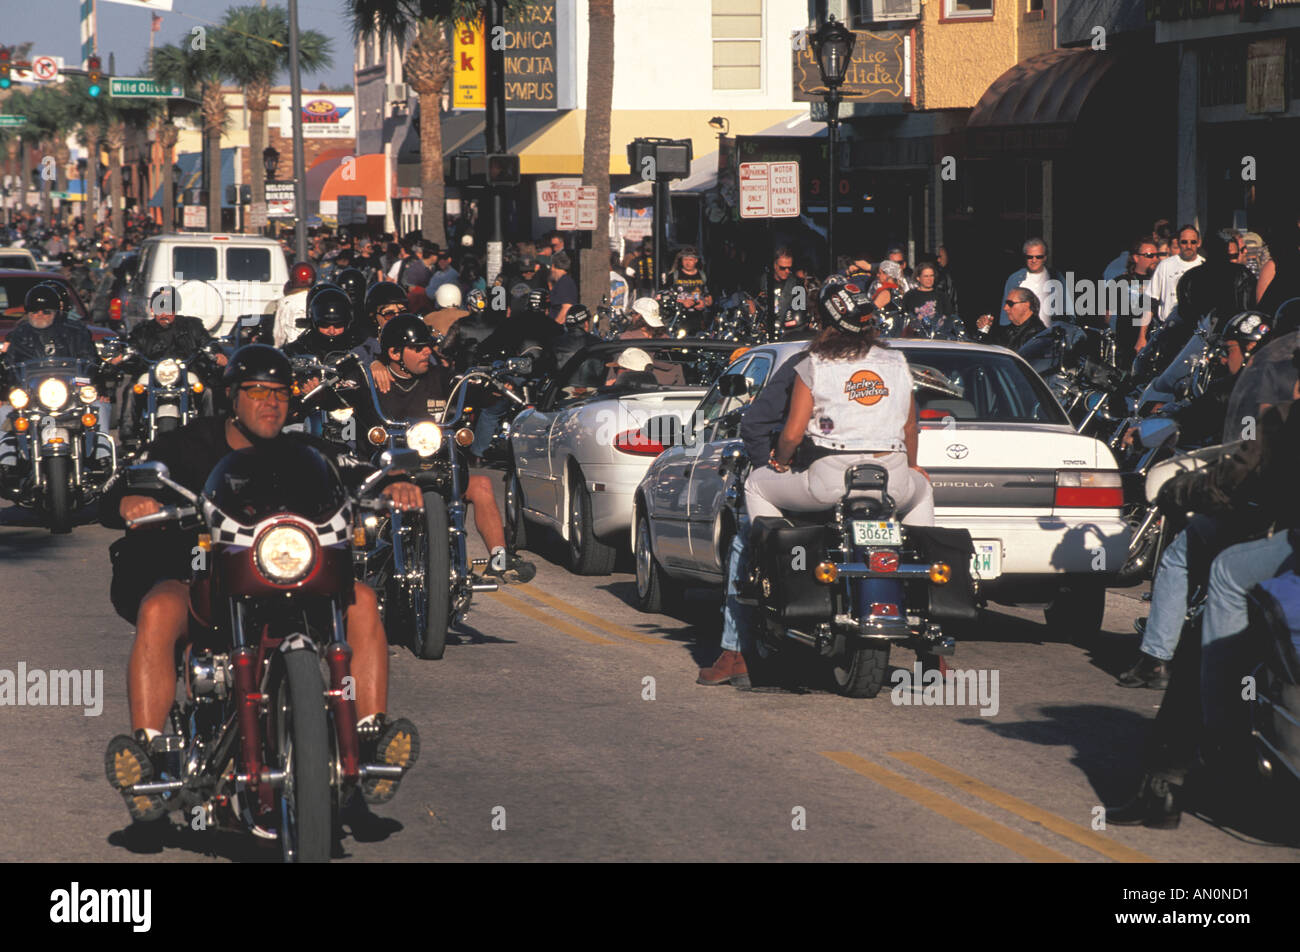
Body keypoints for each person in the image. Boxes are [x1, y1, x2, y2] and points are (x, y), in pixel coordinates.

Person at [100, 345, 422, 823]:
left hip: (292, 579)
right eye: (257, 392)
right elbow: (124, 486)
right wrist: (131, 499)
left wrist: (393, 480)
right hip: (206, 582)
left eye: (280, 393)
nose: (271, 403)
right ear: (233, 396)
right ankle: (149, 761)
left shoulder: (305, 450)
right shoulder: (187, 444)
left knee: (363, 600)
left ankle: (370, 736)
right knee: (159, 608)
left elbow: (356, 471)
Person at [698, 283, 935, 687]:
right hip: (892, 481)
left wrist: (779, 462)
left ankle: (738, 642)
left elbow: (785, 432)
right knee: (925, 498)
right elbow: (911, 426)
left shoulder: (812, 363)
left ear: (821, 322)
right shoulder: (897, 362)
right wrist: (913, 467)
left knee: (752, 504)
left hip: (827, 482)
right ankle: (933, 643)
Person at [1107, 362, 1300, 828]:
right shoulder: (1255, 392)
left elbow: (1241, 473)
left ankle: (1187, 769)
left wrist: (1179, 491)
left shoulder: (1281, 410)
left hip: (1283, 543)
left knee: (1215, 614)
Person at [370, 316, 535, 585]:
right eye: (419, 347)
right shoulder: (376, 380)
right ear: (394, 353)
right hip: (393, 469)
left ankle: (500, 560)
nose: (428, 352)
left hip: (436, 466)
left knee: (480, 485)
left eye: (428, 346)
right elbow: (341, 392)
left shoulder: (442, 378)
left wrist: (494, 389)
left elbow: (469, 390)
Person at [111, 286, 229, 442]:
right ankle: (129, 436)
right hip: (152, 375)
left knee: (207, 391)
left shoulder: (192, 326)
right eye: (160, 308)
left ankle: (210, 436)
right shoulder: (142, 330)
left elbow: (206, 342)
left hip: (187, 373)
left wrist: (217, 353)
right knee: (132, 390)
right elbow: (131, 345)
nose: (164, 313)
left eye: (168, 308)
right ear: (152, 310)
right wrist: (120, 355)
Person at [1138, 225, 1204, 353]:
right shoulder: (1165, 265)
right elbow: (1150, 302)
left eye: (1193, 242)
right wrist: (1141, 337)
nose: (1189, 246)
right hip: (1168, 331)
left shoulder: (1204, 266)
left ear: (1199, 243)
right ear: (1178, 243)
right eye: (1184, 242)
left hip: (1194, 334)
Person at [2, 282, 97, 366]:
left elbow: (89, 361)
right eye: (34, 311)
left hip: (69, 382)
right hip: (29, 383)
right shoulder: (19, 335)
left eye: (46, 312)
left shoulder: (76, 332)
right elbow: (9, 364)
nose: (40, 315)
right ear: (28, 313)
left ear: (56, 313)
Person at [1000, 237, 1068, 328]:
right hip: (1022, 337)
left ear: (1045, 257)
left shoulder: (1056, 277)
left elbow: (1068, 310)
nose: (1034, 260)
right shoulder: (1014, 279)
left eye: (1039, 257)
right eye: (1030, 257)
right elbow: (1005, 314)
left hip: (1050, 335)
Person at [975, 287, 1047, 351]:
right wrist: (984, 329)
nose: (1005, 308)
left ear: (1026, 305)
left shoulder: (1038, 336)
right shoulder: (1009, 331)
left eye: (1010, 303)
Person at [900, 262, 953, 334]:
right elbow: (903, 319)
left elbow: (949, 318)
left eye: (931, 276)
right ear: (918, 278)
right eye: (926, 276)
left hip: (938, 338)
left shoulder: (942, 296)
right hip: (915, 339)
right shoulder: (909, 296)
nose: (929, 279)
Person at [272, 261, 317, 347]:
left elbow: (279, 335)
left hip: (292, 349)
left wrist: (277, 347)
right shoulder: (317, 298)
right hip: (313, 348)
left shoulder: (285, 302)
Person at [668, 247, 712, 314]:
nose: (687, 263)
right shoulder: (673, 276)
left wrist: (704, 303)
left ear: (696, 260)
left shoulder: (703, 276)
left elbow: (709, 298)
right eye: (685, 260)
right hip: (678, 315)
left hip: (698, 316)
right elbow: (665, 296)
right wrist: (683, 302)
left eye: (690, 260)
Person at [547, 251, 579, 325]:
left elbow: (566, 308)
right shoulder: (562, 282)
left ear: (553, 266)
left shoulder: (564, 282)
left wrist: (554, 327)